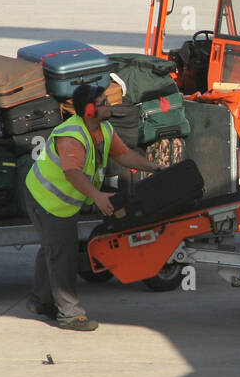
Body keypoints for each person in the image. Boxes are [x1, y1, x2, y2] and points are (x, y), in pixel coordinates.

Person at [23, 83, 163, 330]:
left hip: (58, 199)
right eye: (103, 103)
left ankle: (41, 301)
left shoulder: (104, 129)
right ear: (89, 111)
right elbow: (72, 174)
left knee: (51, 250)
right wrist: (97, 196)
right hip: (47, 200)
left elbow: (124, 155)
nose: (109, 105)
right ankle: (69, 315)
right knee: (63, 254)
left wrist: (153, 168)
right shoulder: (73, 136)